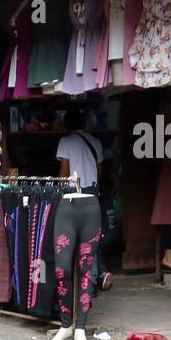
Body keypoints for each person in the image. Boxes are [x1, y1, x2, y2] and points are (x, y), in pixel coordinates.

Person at [56, 108, 111, 289]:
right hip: (93, 193)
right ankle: (92, 281)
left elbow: (64, 173)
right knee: (91, 238)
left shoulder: (65, 141)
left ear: (67, 125)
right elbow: (100, 172)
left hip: (74, 193)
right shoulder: (95, 142)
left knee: (73, 238)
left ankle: (79, 282)